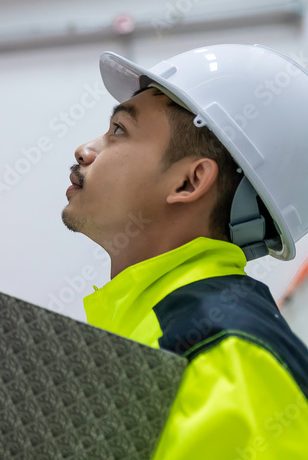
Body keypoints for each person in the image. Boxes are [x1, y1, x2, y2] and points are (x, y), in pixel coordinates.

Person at [62, 44, 308, 459]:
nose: (86, 150)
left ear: (189, 182)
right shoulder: (157, 324)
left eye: (119, 130)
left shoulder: (222, 356)